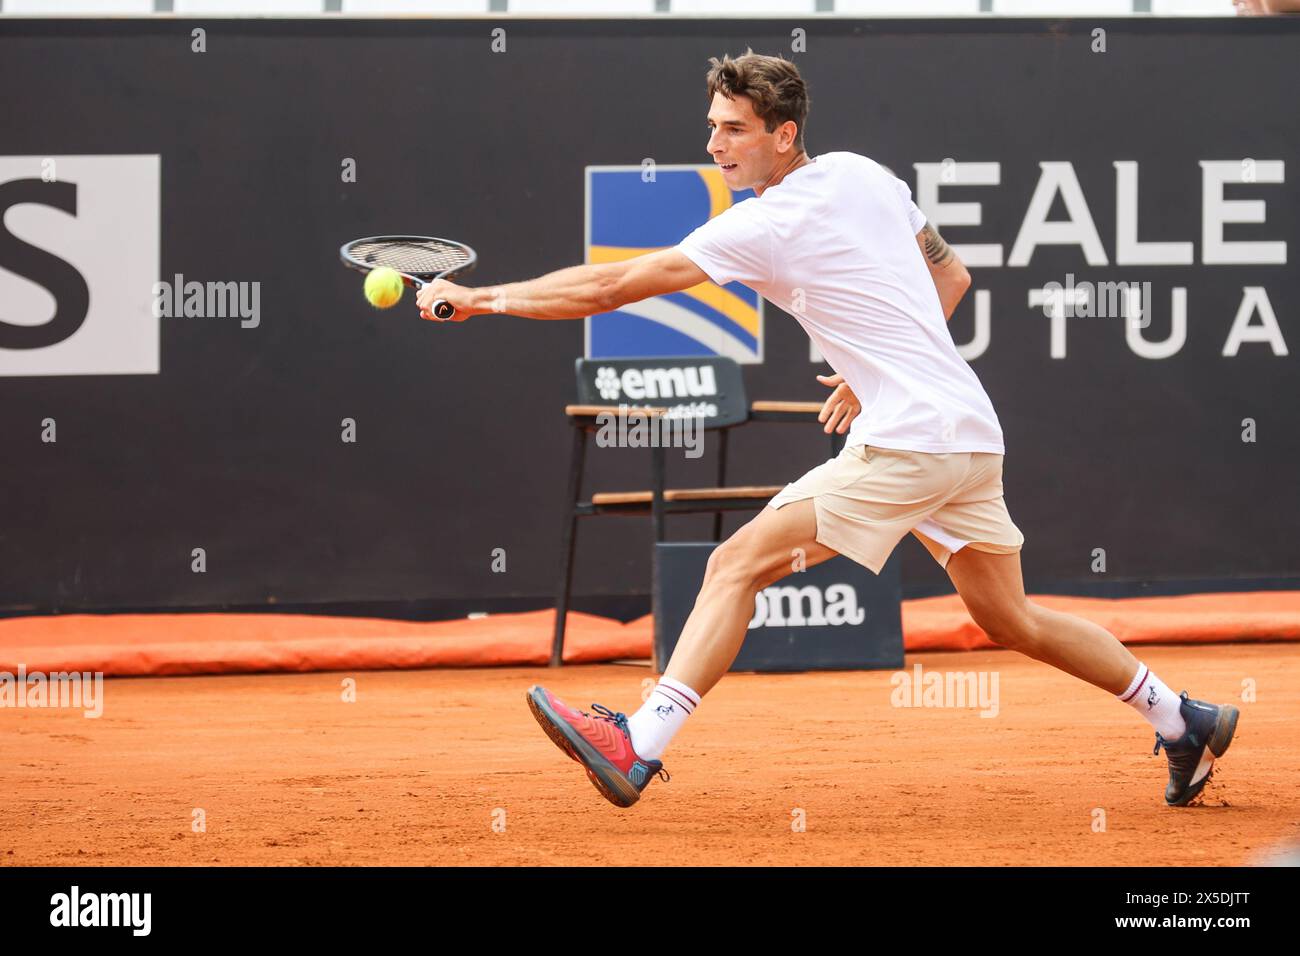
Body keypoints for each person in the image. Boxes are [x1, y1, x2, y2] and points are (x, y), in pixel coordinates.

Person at [416, 50, 1239, 810]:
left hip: (913, 439)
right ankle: (1182, 720)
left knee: (736, 563)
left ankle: (639, 742)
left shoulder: (763, 225)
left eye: (735, 129)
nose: (716, 143)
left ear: (784, 134)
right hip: (968, 432)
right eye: (711, 125)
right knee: (1011, 620)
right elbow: (951, 275)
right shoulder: (863, 173)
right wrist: (869, 371)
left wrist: (483, 298)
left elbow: (615, 285)